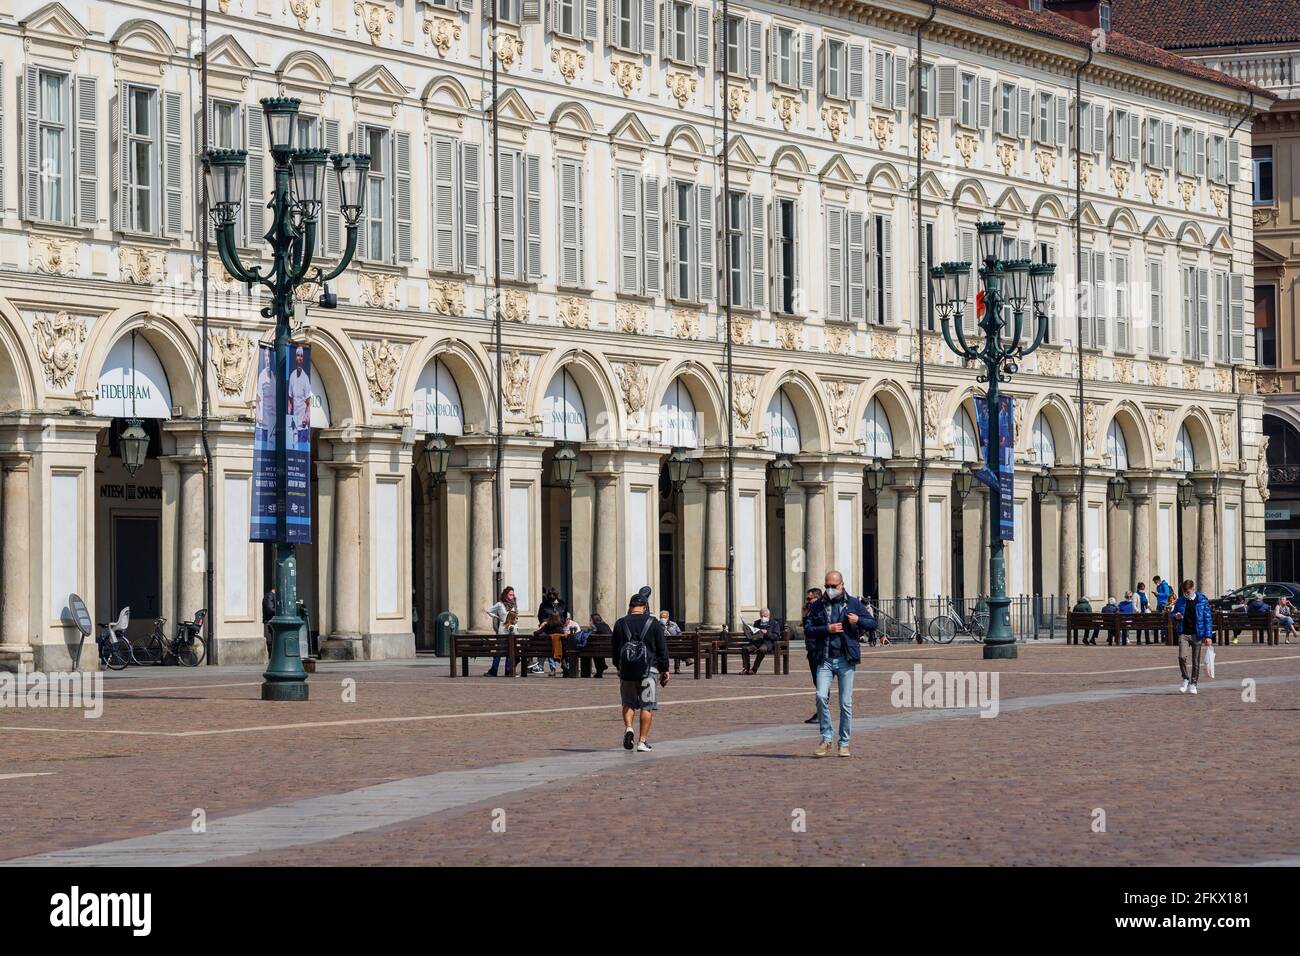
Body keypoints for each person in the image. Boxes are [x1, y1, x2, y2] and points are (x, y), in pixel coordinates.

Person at [803, 570, 873, 757]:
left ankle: (844, 742)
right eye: (827, 585)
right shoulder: (818, 605)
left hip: (845, 659)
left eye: (833, 586)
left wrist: (858, 620)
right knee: (820, 696)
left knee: (845, 703)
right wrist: (827, 628)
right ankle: (826, 738)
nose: (830, 589)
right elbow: (808, 629)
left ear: (842, 585)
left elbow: (872, 623)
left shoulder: (853, 603)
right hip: (824, 659)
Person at [611, 589, 668, 752]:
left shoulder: (620, 623)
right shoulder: (653, 622)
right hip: (649, 670)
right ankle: (642, 742)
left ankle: (629, 727)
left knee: (628, 702)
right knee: (646, 706)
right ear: (644, 607)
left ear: (630, 607)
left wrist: (618, 667)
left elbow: (615, 649)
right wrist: (665, 669)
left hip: (627, 671)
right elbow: (662, 648)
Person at [1172, 578, 1213, 694]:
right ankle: (1185, 678)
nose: (1186, 594)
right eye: (1184, 592)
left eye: (1188, 591)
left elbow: (1207, 618)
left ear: (1193, 589)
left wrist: (1208, 635)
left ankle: (1194, 683)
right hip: (1184, 633)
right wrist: (1176, 616)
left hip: (1197, 634)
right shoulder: (1180, 600)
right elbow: (1172, 614)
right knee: (1181, 657)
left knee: (1195, 661)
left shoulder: (1202, 600)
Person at [799, 587, 822, 724]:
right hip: (812, 650)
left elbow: (814, 631)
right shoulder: (811, 612)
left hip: (819, 651)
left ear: (817, 598)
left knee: (821, 683)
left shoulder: (820, 612)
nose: (807, 601)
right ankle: (821, 712)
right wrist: (805, 614)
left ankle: (821, 713)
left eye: (809, 598)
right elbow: (807, 630)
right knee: (817, 683)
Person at [483, 586, 518, 677]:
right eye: (510, 594)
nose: (512, 596)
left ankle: (508, 670)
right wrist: (496, 616)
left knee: (510, 651)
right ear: (505, 595)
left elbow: (516, 616)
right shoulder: (500, 604)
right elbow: (488, 610)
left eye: (513, 594)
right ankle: (494, 670)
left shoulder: (514, 604)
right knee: (499, 651)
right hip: (503, 629)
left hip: (512, 629)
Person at [287, 346, 312, 447]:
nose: (300, 358)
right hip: (294, 426)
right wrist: (289, 415)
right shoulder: (292, 376)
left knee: (301, 453)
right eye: (298, 355)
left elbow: (308, 402)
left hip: (303, 426)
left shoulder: (306, 378)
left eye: (301, 356)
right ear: (295, 357)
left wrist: (307, 417)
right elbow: (290, 399)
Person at [743, 609, 780, 675]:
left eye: (765, 616)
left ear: (769, 615)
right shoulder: (757, 623)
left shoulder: (774, 623)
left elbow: (776, 636)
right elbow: (752, 634)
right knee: (745, 649)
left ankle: (754, 669)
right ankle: (746, 668)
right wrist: (749, 632)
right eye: (762, 616)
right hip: (757, 642)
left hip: (767, 643)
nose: (763, 618)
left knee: (762, 650)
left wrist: (767, 633)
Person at [580, 612, 611, 678]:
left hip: (598, 649)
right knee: (597, 649)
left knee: (590, 650)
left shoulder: (594, 626)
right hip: (609, 649)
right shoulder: (606, 625)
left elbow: (590, 636)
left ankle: (599, 668)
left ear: (593, 620)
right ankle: (601, 667)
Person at [262, 585, 278, 656]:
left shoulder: (273, 596)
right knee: (273, 638)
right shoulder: (269, 596)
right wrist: (280, 610)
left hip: (273, 620)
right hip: (270, 621)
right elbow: (270, 609)